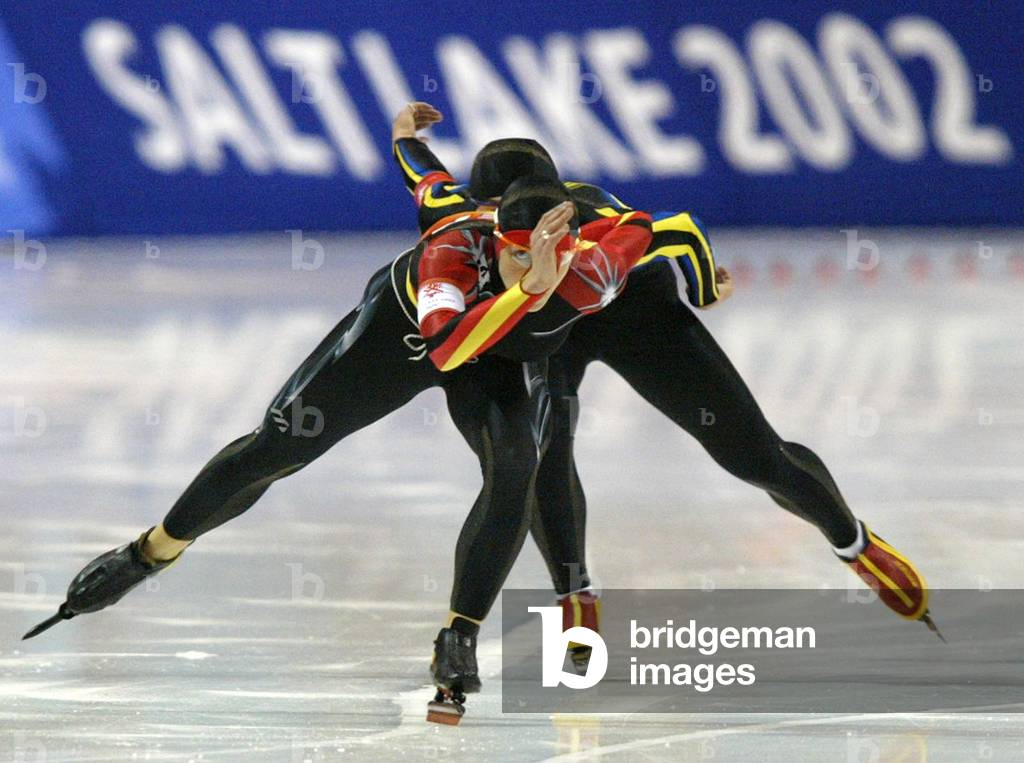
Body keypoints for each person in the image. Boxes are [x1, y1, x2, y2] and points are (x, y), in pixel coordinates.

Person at [23, 173, 654, 724]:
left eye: (551, 257)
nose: (534, 266)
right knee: (277, 449)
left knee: (517, 465)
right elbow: (446, 346)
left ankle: (458, 636)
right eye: (518, 258)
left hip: (489, 354)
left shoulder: (593, 266)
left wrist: (700, 273)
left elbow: (655, 226)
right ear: (497, 238)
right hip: (406, 340)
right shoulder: (452, 249)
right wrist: (526, 291)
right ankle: (148, 552)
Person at [390, 104, 939, 673]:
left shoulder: (595, 220)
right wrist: (404, 131)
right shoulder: (464, 214)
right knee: (543, 454)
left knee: (752, 454)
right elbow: (421, 172)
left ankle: (852, 540)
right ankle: (573, 593)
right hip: (548, 325)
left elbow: (680, 230)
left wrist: (702, 293)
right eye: (499, 224)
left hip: (637, 316)